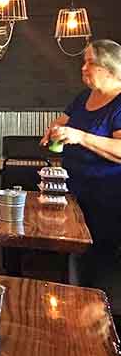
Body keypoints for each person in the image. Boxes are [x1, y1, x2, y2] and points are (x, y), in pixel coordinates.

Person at [41, 39, 121, 291]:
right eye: (84, 62)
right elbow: (63, 121)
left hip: (107, 201)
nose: (83, 67)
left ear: (110, 67)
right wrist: (54, 130)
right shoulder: (84, 97)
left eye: (90, 62)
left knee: (100, 267)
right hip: (76, 194)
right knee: (76, 260)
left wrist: (81, 137)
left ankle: (99, 309)